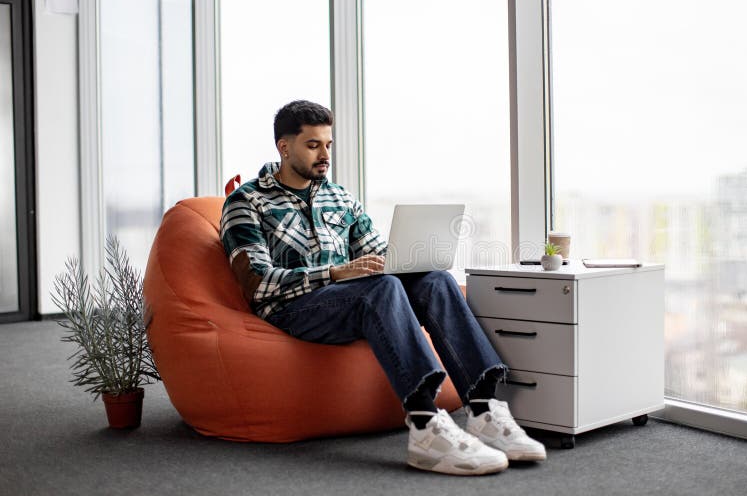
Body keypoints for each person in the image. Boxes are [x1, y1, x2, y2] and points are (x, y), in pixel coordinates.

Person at [220, 100, 546, 476]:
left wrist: (406, 261)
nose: (325, 155)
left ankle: (484, 410)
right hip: (292, 308)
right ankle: (425, 426)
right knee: (382, 289)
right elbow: (257, 282)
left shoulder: (340, 198)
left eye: (328, 144)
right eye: (313, 145)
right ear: (284, 147)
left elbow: (377, 257)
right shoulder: (246, 202)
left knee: (435, 281)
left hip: (346, 298)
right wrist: (334, 274)